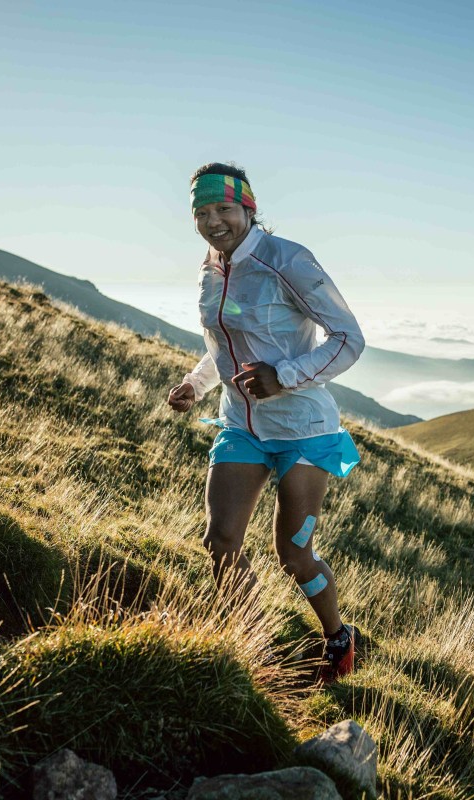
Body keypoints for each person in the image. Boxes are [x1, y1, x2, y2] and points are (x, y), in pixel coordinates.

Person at [167, 162, 366, 685]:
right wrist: (195, 384)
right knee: (220, 541)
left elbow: (349, 339)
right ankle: (254, 648)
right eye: (202, 212)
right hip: (241, 425)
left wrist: (285, 377)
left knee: (293, 555)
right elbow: (224, 343)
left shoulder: (287, 260)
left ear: (249, 208)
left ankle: (338, 637)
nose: (214, 221)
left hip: (303, 430)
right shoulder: (210, 269)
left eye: (224, 209)